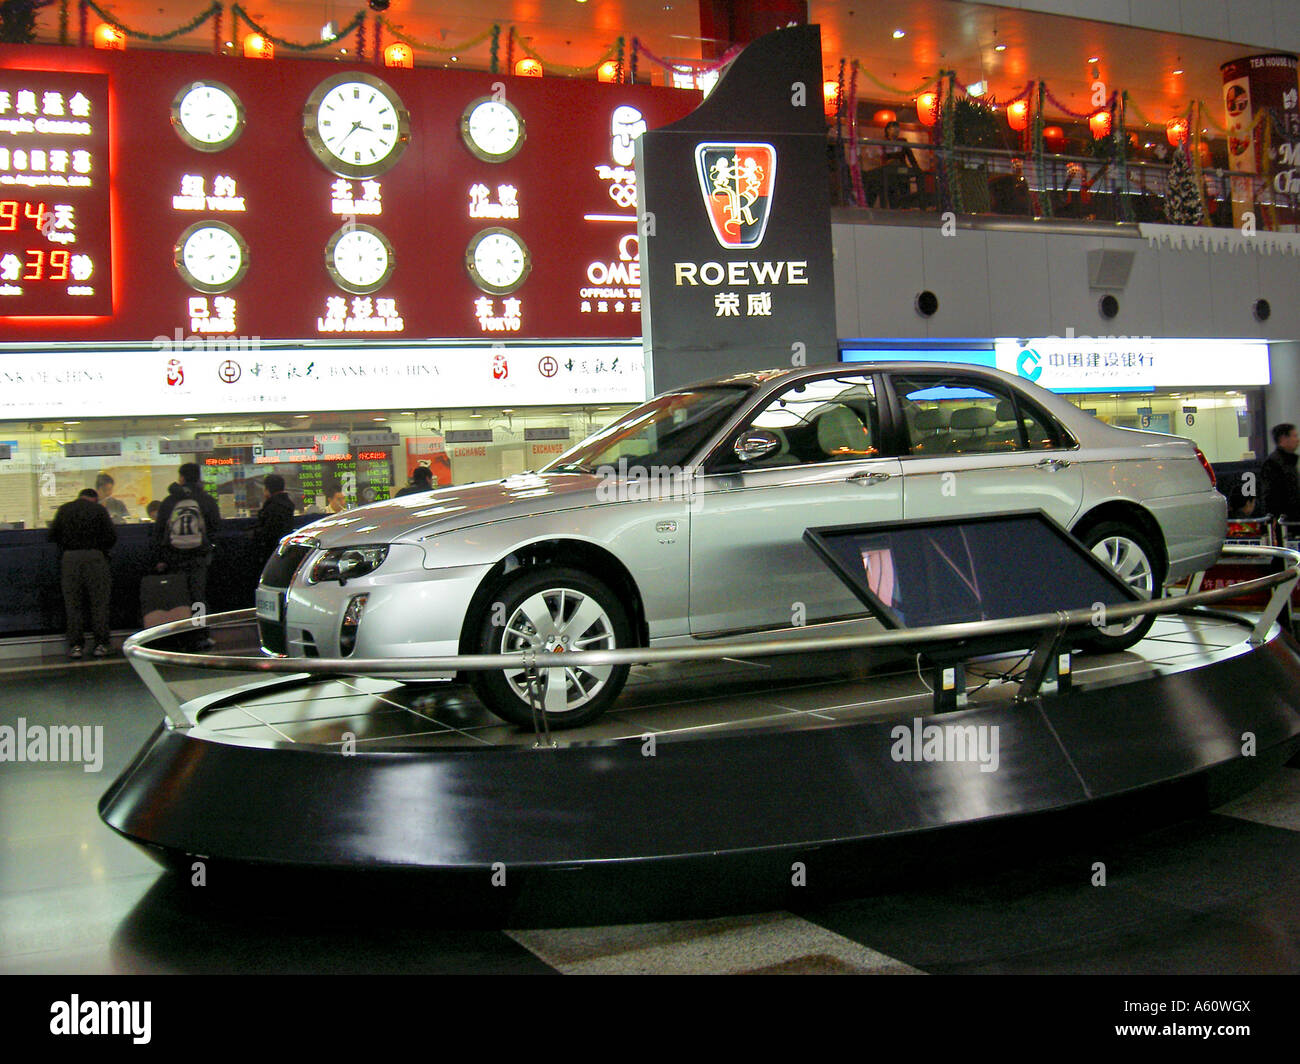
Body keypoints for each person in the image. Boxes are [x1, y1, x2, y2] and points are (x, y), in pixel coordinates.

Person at [152, 462, 222, 650]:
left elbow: (159, 530)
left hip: (174, 557)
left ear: (181, 478)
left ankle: (180, 636)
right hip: (199, 557)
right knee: (198, 597)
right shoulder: (206, 499)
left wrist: (161, 557)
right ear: (199, 478)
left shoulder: (170, 501)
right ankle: (200, 635)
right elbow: (215, 526)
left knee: (179, 599)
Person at [49, 487, 117, 659]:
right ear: (94, 499)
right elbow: (111, 537)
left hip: (70, 558)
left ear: (79, 497)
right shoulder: (99, 510)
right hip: (95, 558)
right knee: (99, 603)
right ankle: (101, 644)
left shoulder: (64, 509)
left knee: (73, 605)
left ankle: (76, 646)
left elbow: (52, 535)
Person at [252, 473, 296, 565]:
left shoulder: (272, 507)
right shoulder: (287, 504)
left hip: (271, 553)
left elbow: (267, 532)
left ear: (267, 489)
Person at [1260, 423, 1300, 521]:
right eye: (1294, 436)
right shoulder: (1273, 463)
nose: (1297, 440)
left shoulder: (1290, 462)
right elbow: (1271, 496)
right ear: (1283, 439)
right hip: (1285, 522)